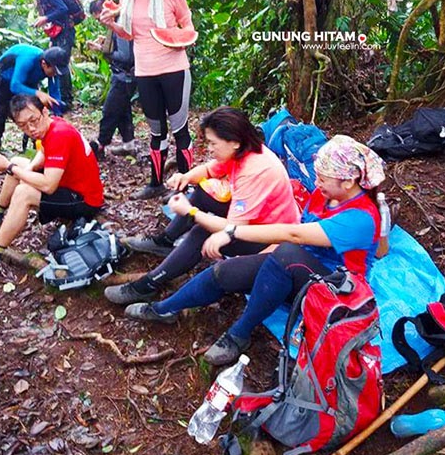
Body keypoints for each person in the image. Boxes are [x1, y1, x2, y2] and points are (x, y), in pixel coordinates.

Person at [121, 135, 385, 366]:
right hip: (298, 267)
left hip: (337, 289)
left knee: (286, 254)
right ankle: (165, 308)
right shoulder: (323, 194)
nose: (317, 182)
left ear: (349, 182)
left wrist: (232, 232)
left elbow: (294, 234)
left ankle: (240, 333)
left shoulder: (361, 218)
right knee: (225, 271)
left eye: (323, 178)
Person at [104, 107, 299, 306]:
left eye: (213, 143)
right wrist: (185, 177)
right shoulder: (240, 151)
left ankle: (149, 284)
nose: (209, 149)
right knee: (203, 191)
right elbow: (208, 170)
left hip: (271, 237)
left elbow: (233, 229)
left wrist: (192, 212)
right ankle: (165, 241)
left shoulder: (255, 170)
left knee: (202, 231)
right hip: (255, 219)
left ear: (234, 142)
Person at [0, 94, 104, 289]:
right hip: (70, 186)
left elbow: (48, 186)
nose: (31, 129)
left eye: (33, 120)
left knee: (23, 191)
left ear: (44, 112)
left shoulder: (59, 134)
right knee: (20, 163)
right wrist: (22, 170)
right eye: (23, 126)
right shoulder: (53, 125)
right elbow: (44, 153)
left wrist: (11, 168)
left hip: (85, 200)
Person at [99, 0, 197, 200]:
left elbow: (188, 28)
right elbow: (130, 34)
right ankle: (156, 183)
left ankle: (184, 187)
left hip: (174, 68)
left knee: (180, 130)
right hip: (144, 70)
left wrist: (172, 36)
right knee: (156, 131)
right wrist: (113, 24)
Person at [87, 0, 139, 161]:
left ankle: (100, 145)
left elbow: (125, 56)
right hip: (128, 76)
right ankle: (129, 145)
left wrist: (102, 50)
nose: (100, 22)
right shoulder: (119, 22)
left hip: (125, 77)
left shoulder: (120, 23)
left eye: (98, 18)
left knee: (110, 110)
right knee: (122, 109)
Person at [0, 43, 67, 151]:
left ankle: (39, 144)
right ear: (44, 64)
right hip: (8, 80)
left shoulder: (51, 69)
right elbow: (15, 86)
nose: (55, 74)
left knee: (34, 111)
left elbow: (54, 93)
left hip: (28, 81)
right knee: (1, 111)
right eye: (54, 71)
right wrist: (39, 93)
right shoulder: (28, 59)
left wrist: (59, 115)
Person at [14, 0, 78, 108]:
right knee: (53, 62)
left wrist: (45, 18)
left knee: (60, 63)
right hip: (58, 33)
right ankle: (60, 99)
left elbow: (63, 9)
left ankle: (67, 100)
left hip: (65, 32)